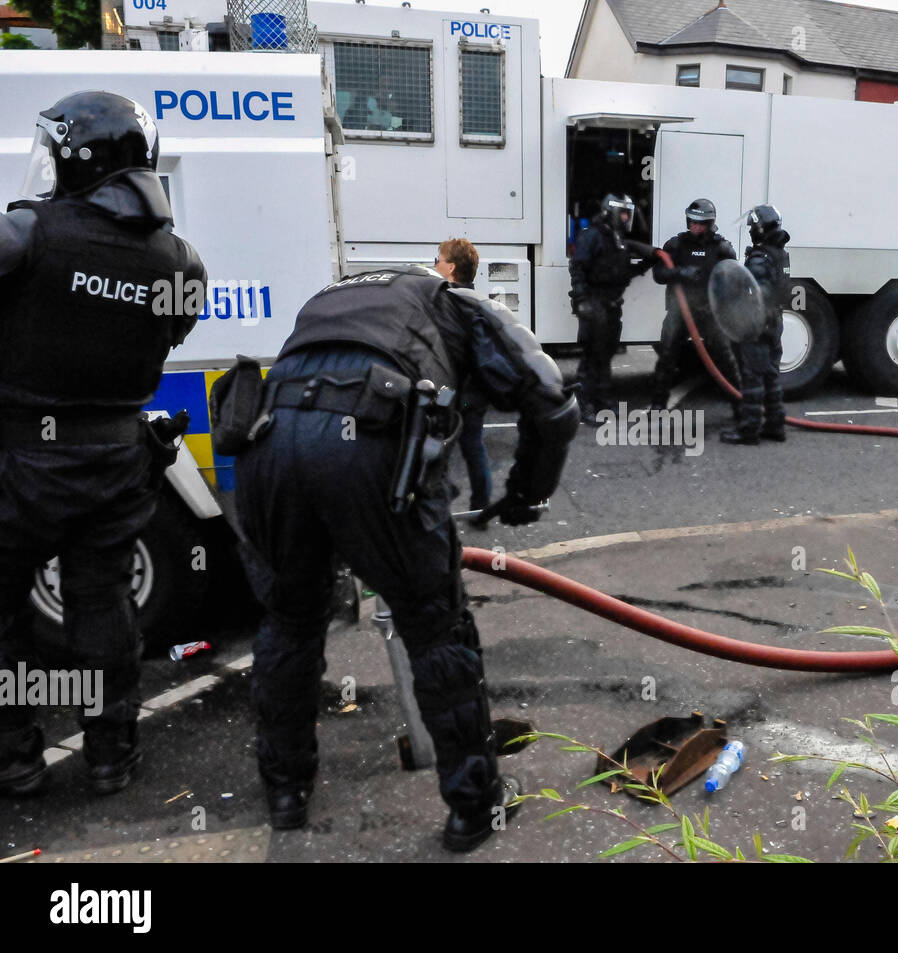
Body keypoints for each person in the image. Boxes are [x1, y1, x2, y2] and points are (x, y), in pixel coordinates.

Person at [232, 264, 578, 851]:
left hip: (269, 448)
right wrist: (526, 494)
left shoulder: (328, 297)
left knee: (289, 620)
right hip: (367, 447)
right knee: (435, 626)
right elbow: (551, 402)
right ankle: (474, 806)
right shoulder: (457, 304)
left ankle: (285, 792)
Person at [0, 92, 206, 796]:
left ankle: (16, 757)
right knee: (104, 605)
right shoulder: (180, 263)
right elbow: (167, 334)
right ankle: (113, 753)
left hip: (24, 458)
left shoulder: (28, 235)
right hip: (119, 458)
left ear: (80, 159)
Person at [568, 194, 654, 425]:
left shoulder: (617, 239)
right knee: (590, 358)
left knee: (605, 356)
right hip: (595, 303)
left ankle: (603, 401)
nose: (626, 217)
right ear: (611, 212)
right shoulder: (592, 236)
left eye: (628, 213)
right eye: (623, 213)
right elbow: (578, 268)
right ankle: (583, 406)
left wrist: (647, 264)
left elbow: (620, 272)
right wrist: (582, 300)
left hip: (612, 305)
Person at [650, 199, 741, 410]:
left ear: (710, 224)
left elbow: (733, 278)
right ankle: (657, 405)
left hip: (710, 312)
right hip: (679, 311)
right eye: (692, 222)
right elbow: (659, 274)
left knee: (726, 359)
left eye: (700, 223)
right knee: (666, 358)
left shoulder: (722, 248)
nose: (695, 227)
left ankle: (739, 406)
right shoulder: (676, 245)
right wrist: (681, 273)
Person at [432, 239, 492, 517]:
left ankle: (437, 504)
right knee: (472, 445)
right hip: (475, 393)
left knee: (435, 446)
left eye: (438, 260)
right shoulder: (477, 302)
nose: (434, 264)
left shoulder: (446, 303)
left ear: (451, 268)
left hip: (455, 393)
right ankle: (481, 506)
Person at [722, 204, 790, 445]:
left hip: (758, 325)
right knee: (771, 376)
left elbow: (754, 295)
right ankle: (775, 425)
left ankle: (749, 430)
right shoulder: (780, 253)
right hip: (775, 322)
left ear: (759, 229)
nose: (750, 230)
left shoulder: (760, 259)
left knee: (752, 378)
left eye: (752, 227)